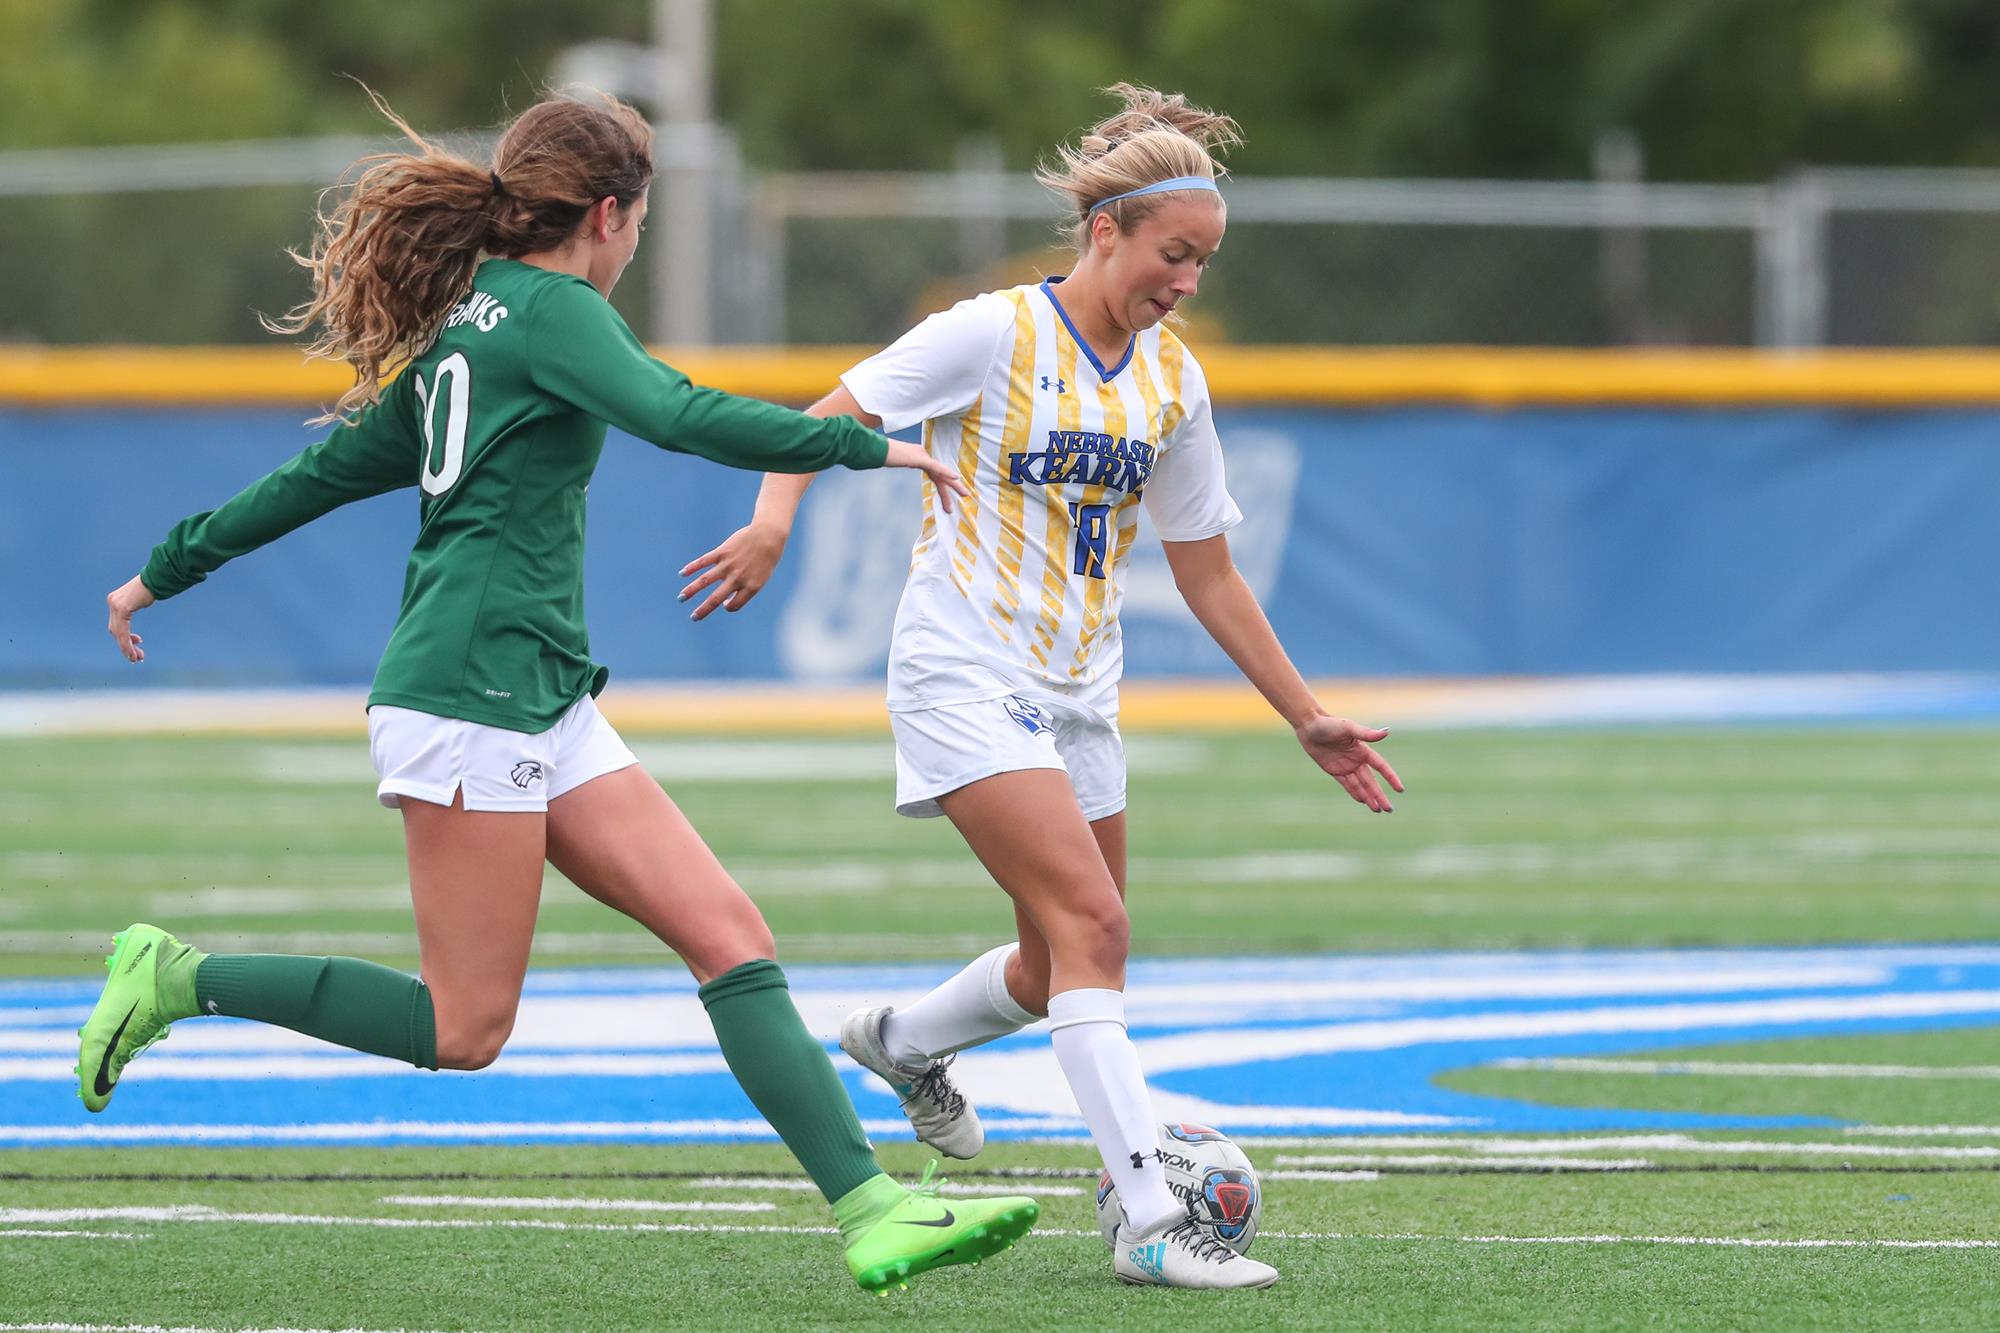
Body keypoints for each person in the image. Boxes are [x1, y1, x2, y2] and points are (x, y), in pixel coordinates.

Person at [80, 87, 1037, 1294]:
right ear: (606, 213)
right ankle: (178, 977)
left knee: (728, 938)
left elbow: (321, 471)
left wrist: (163, 568)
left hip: (537, 691)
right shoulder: (550, 310)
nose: (634, 247)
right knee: (462, 1029)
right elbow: (671, 411)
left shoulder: (473, 326)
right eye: (638, 224)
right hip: (473, 695)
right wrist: (860, 445)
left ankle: (872, 1208)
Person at [678, 83, 1403, 1290]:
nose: (1186, 280)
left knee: (1053, 959)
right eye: (1173, 253)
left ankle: (902, 1042)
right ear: (1104, 229)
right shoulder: (992, 332)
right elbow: (823, 416)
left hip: (1080, 690)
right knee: (1096, 932)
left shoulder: (1172, 382)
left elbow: (1210, 573)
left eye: (1204, 262)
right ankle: (1151, 1221)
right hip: (961, 666)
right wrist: (769, 524)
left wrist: (1303, 713)